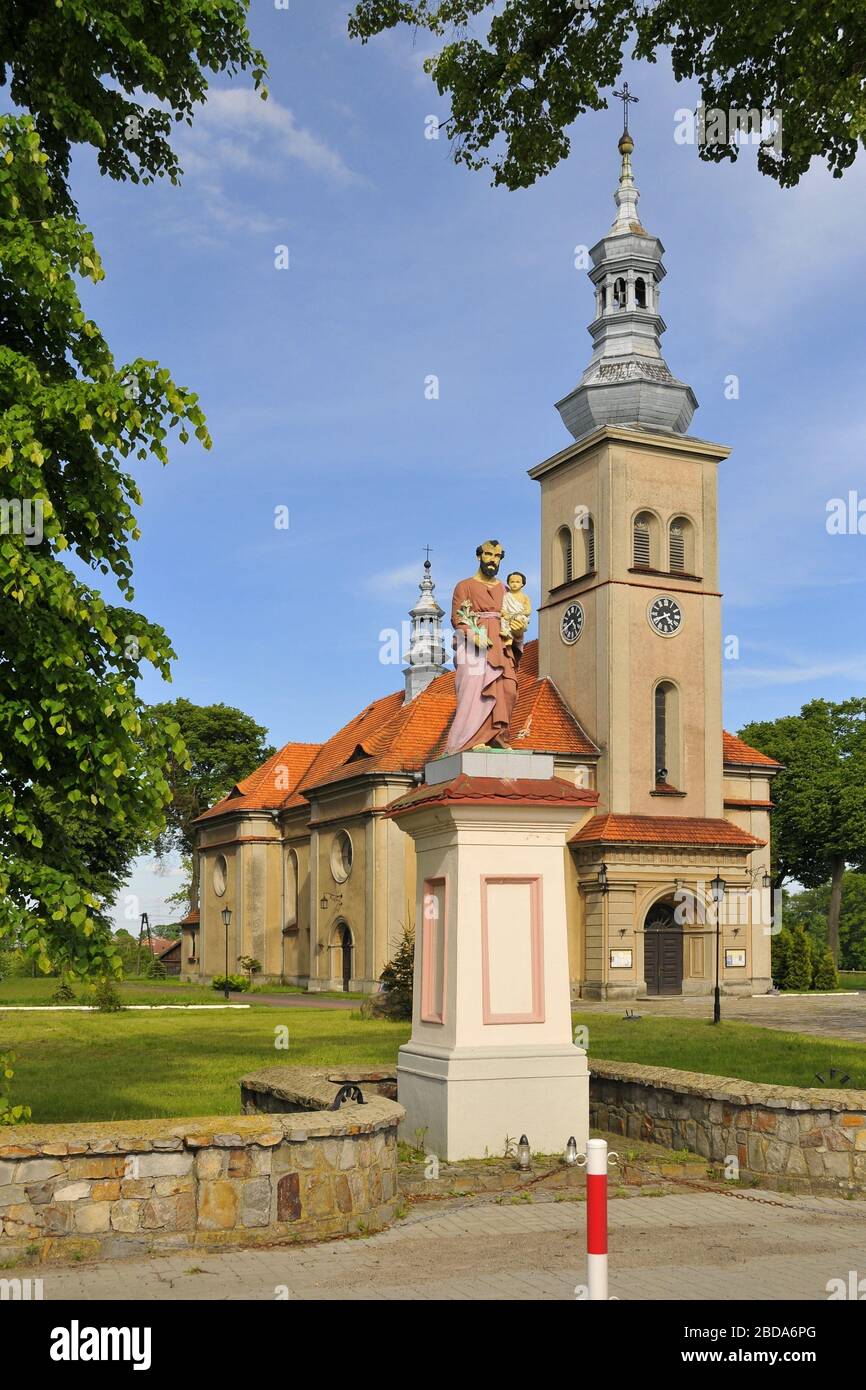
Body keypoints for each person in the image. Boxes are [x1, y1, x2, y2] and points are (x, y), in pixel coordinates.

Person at [444, 539, 524, 753]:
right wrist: (473, 635)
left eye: (497, 556)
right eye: (489, 555)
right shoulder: (464, 586)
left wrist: (517, 630)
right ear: (479, 556)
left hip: (500, 643)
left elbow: (514, 617)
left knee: (508, 689)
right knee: (476, 690)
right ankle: (472, 739)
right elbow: (457, 618)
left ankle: (498, 736)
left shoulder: (505, 589)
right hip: (475, 648)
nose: (493, 560)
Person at [500, 571, 531, 648]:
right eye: (512, 582)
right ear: (508, 583)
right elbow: (503, 608)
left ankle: (511, 636)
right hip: (509, 616)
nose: (514, 584)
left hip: (520, 617)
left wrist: (519, 614)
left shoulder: (525, 597)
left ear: (522, 584)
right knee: (503, 620)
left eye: (517, 582)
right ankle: (508, 636)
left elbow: (528, 610)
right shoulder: (506, 596)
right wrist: (505, 614)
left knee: (519, 620)